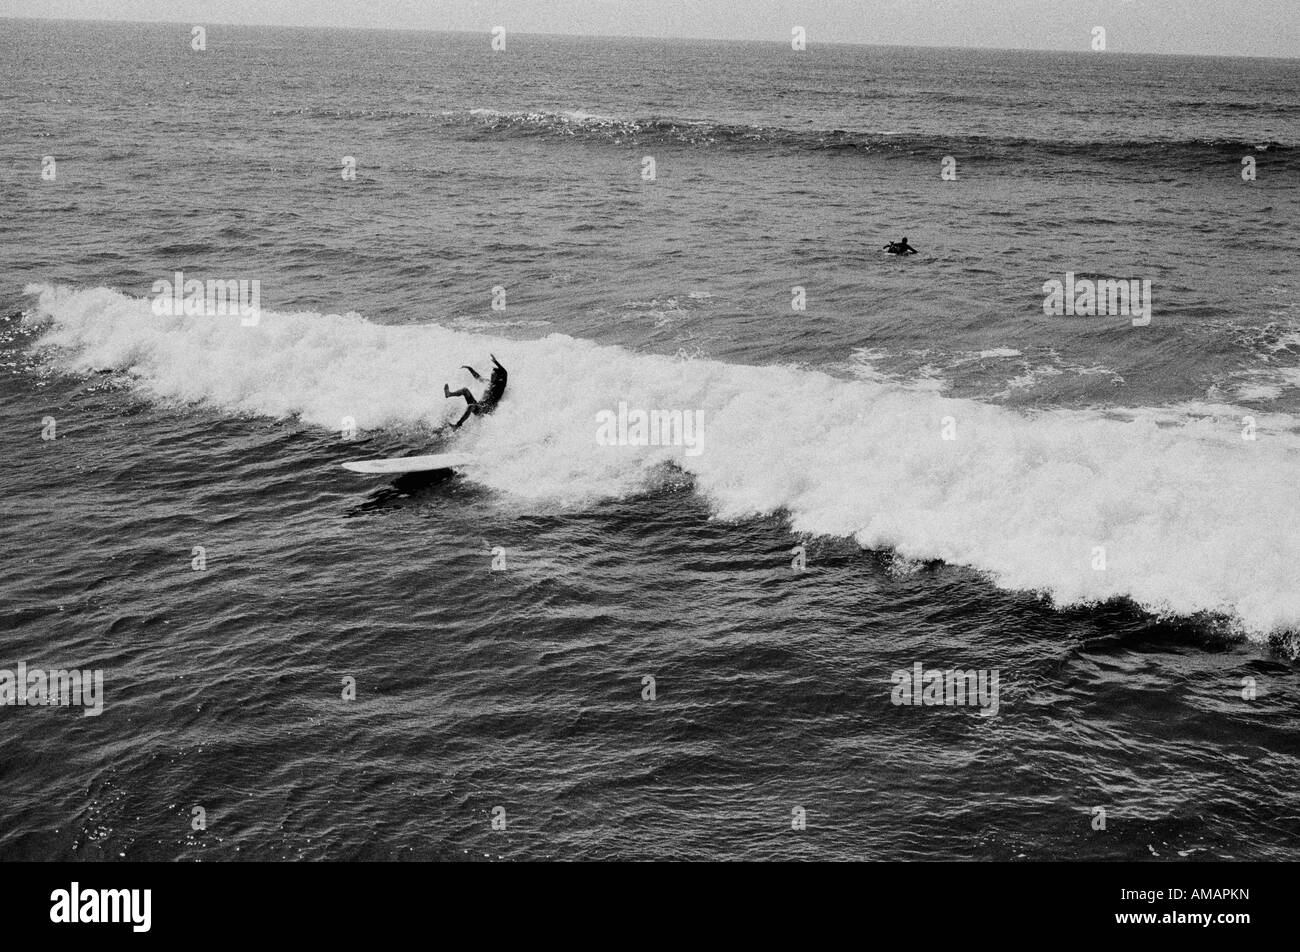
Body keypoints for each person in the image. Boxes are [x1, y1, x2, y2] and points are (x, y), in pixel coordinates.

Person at [443, 353, 507, 429]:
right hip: (479, 405)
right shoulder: (488, 383)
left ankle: (457, 425)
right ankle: (449, 394)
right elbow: (477, 376)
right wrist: (470, 368)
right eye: (491, 375)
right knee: (464, 390)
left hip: (485, 410)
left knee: (470, 406)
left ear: (498, 377)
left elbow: (505, 373)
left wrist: (495, 361)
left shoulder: (500, 386)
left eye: (494, 375)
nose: (491, 376)